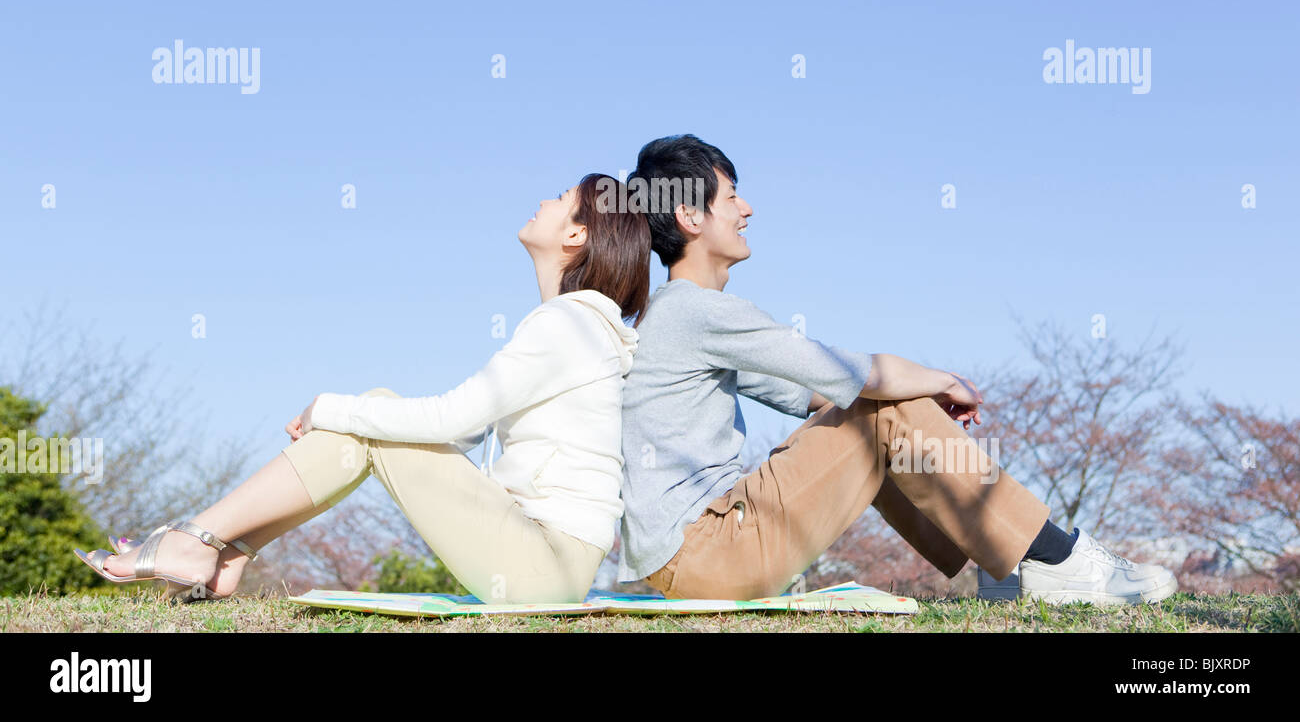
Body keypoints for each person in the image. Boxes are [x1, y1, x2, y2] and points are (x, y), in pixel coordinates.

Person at [616, 135, 1178, 606]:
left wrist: (914, 406)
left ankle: (1010, 565)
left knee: (883, 413)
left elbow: (814, 391)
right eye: (733, 197)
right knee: (880, 409)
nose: (748, 210)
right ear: (690, 215)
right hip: (707, 553)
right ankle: (1057, 558)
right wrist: (940, 381)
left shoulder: (682, 317)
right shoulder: (695, 310)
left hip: (697, 558)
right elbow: (852, 374)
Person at [76, 173, 651, 604]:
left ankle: (197, 540)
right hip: (543, 562)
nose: (545, 200)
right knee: (366, 422)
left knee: (370, 411)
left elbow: (452, 419)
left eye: (560, 197)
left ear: (576, 232)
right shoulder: (576, 325)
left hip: (542, 565)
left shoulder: (569, 322)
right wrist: (342, 421)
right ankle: (223, 553)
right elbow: (472, 431)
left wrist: (328, 408)